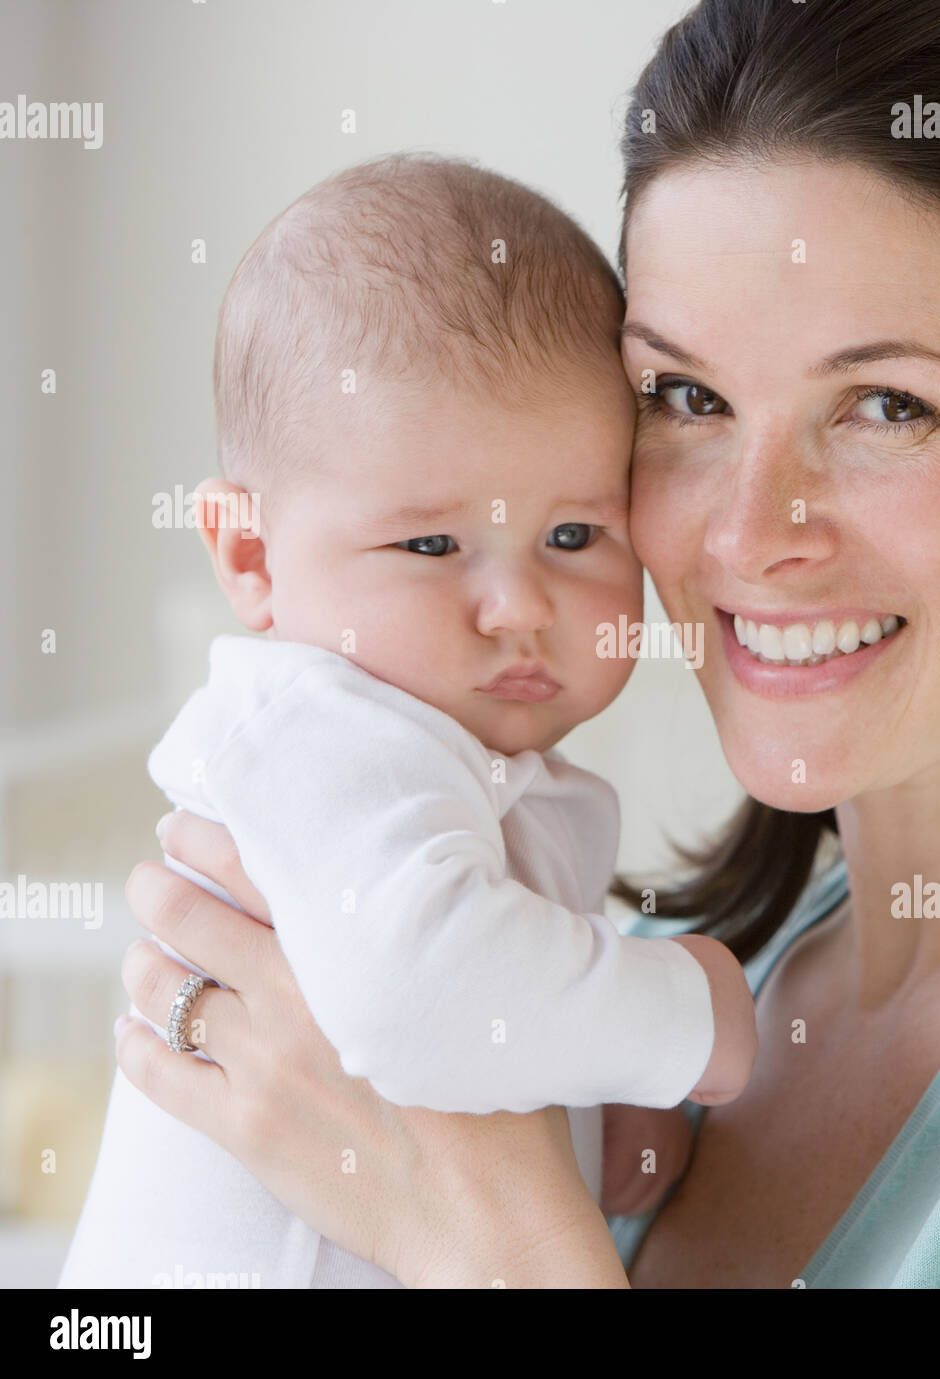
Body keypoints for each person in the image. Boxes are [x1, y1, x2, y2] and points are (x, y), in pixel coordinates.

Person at [113, 0, 940, 1287]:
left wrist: (493, 1240)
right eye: (687, 397)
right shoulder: (683, 968)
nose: (746, 533)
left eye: (887, 404)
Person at [59, 153, 756, 1289]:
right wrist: (681, 1013)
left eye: (575, 535)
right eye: (431, 546)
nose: (520, 606)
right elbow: (422, 993)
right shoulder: (315, 727)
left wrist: (598, 1094)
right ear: (251, 556)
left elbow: (467, 1009)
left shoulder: (453, 753)